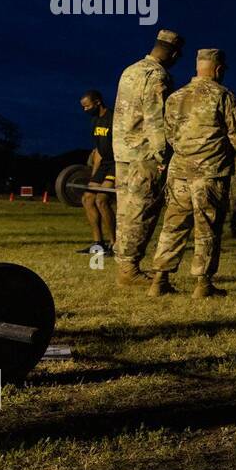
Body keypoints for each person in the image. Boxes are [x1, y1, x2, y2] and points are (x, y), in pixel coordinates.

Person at [148, 49, 236, 299]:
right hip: (210, 174)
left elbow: (169, 135)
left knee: (173, 225)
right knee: (207, 227)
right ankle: (203, 285)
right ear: (219, 70)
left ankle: (159, 280)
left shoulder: (175, 97)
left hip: (179, 172)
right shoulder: (224, 96)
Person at [112, 29, 184, 286]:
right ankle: (129, 269)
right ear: (174, 54)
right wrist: (162, 154)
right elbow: (156, 119)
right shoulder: (157, 76)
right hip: (145, 154)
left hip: (122, 151)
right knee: (141, 210)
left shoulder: (130, 70)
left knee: (124, 211)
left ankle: (123, 264)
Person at [79, 90, 117, 254]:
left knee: (102, 200)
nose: (85, 110)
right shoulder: (95, 121)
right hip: (104, 164)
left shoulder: (113, 118)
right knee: (87, 198)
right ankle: (98, 243)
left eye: (87, 106)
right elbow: (98, 151)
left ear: (98, 102)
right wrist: (93, 177)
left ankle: (115, 243)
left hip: (117, 163)